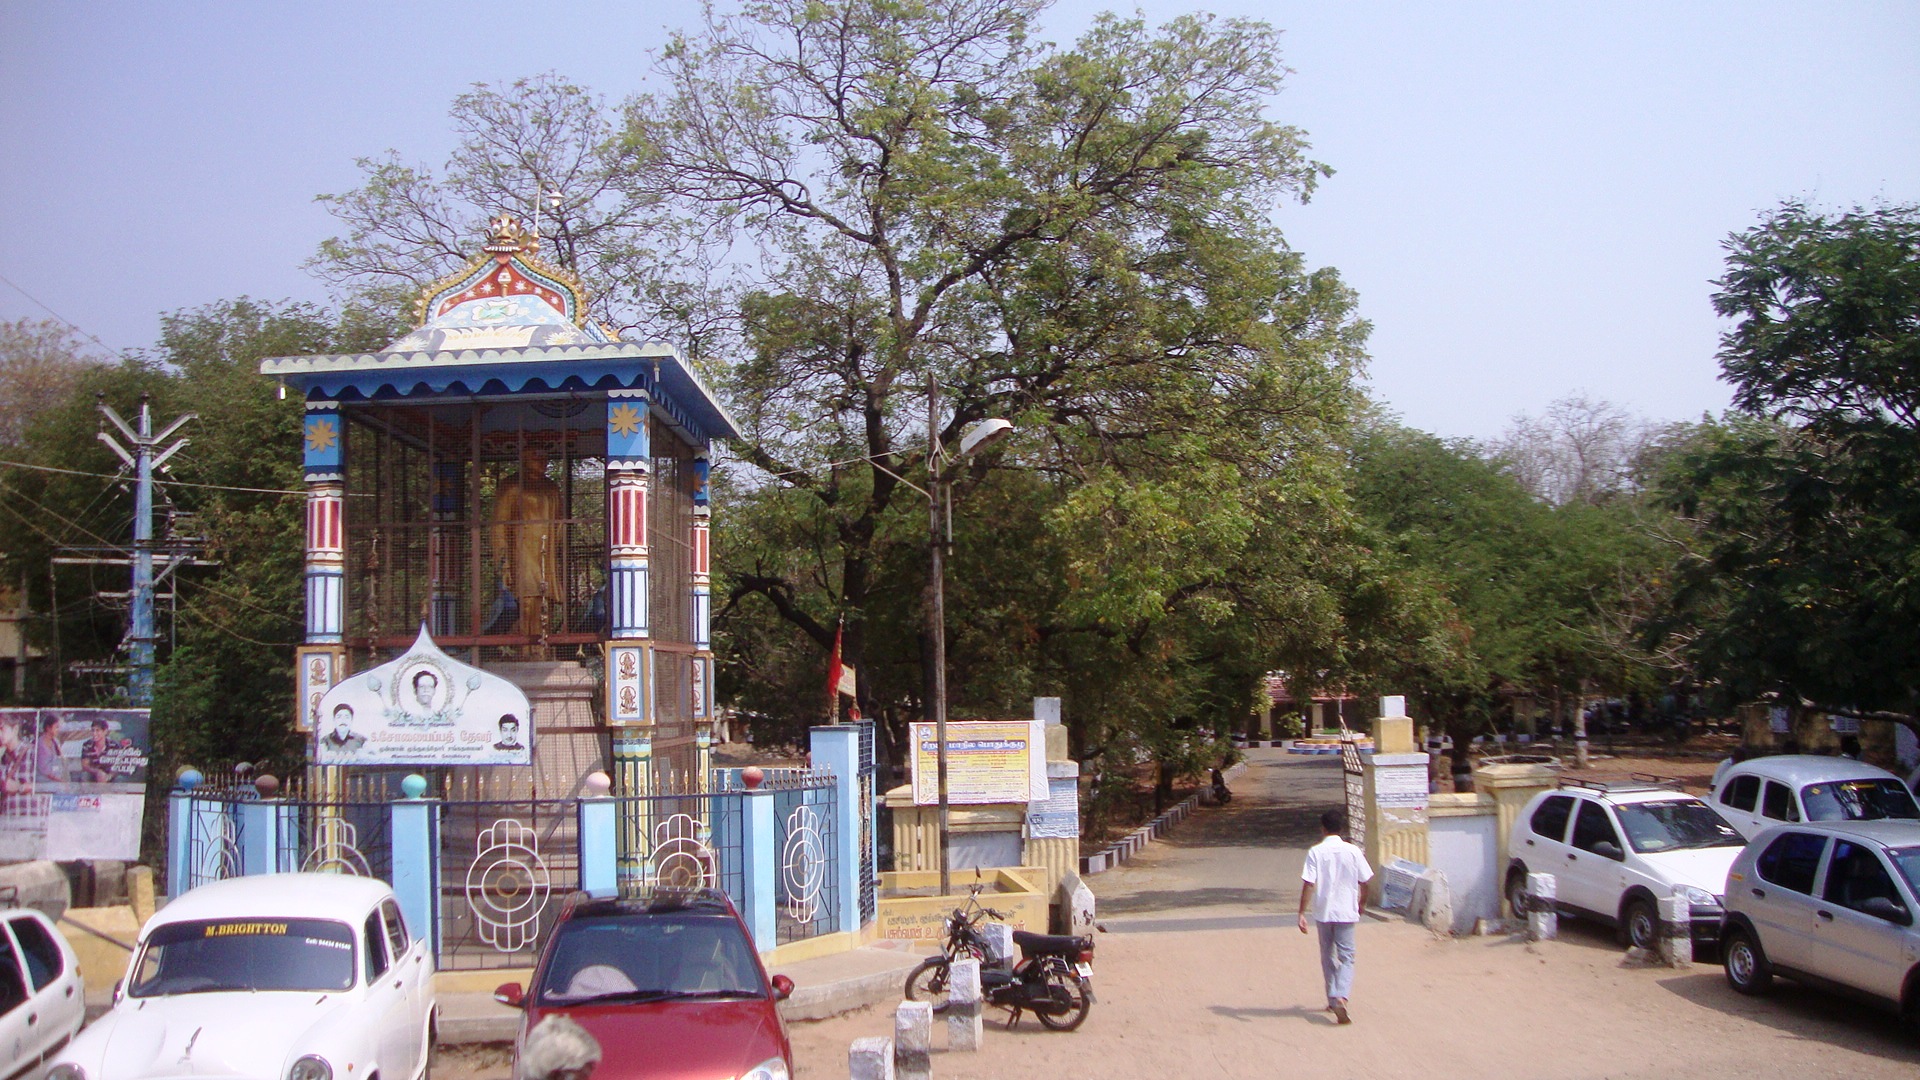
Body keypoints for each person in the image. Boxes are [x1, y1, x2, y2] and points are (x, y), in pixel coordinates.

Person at [1297, 807, 1372, 1025]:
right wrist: (1362, 903)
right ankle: (1341, 996)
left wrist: (1301, 911)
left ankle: (1332, 999)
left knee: (1327, 955)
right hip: (1347, 912)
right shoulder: (1353, 851)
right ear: (1341, 828)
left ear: (1323, 828)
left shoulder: (1315, 852)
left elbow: (1309, 883)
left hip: (1324, 911)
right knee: (1347, 956)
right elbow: (1365, 881)